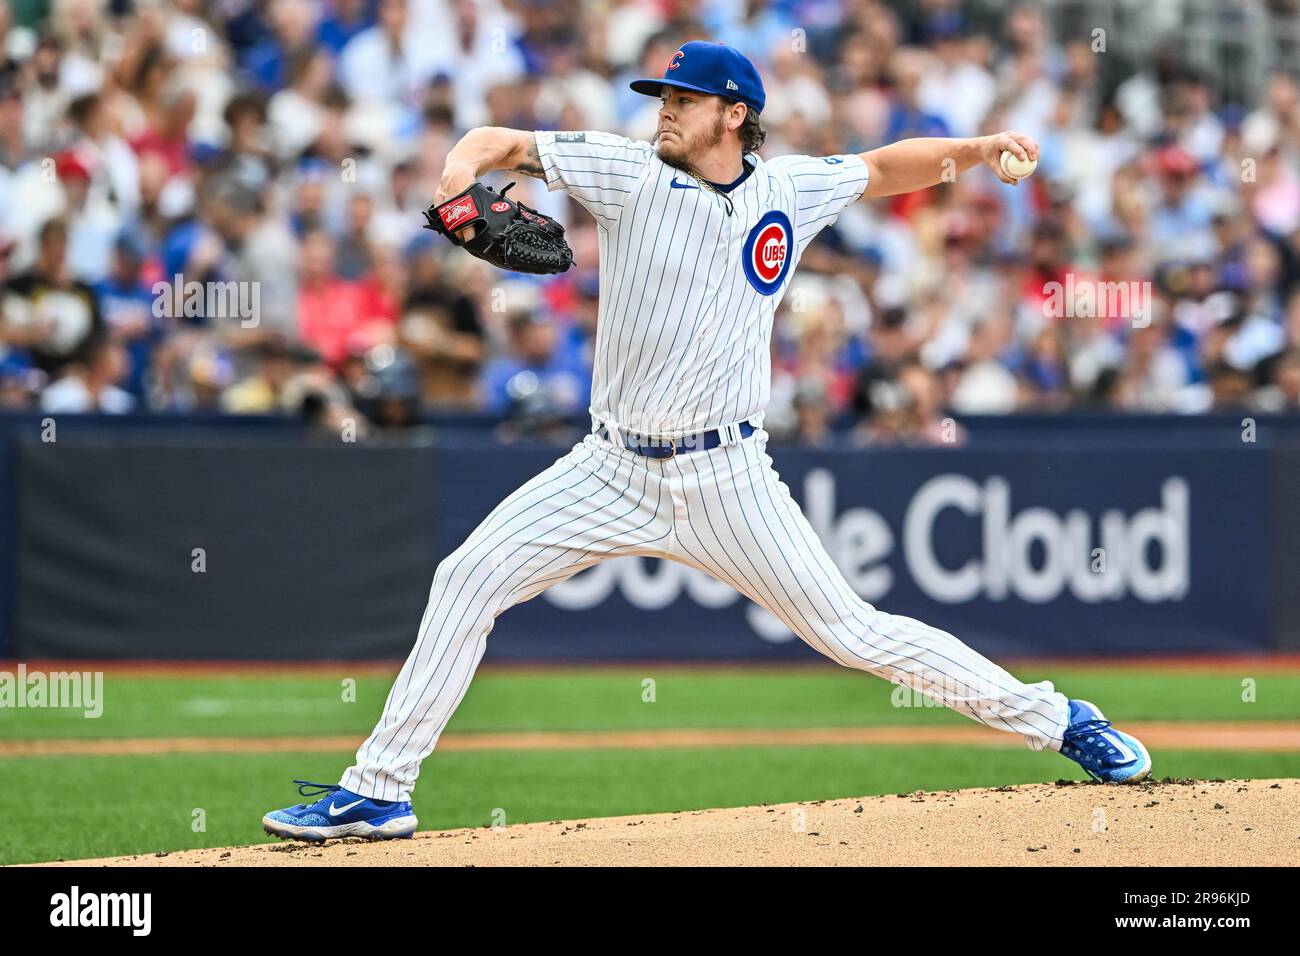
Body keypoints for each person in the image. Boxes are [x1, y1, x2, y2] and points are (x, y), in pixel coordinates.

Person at [263, 41, 1152, 842]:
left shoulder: (786, 190)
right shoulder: (627, 172)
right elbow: (500, 143)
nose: (665, 110)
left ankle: (1062, 719)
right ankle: (380, 791)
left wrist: (973, 149)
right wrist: (454, 182)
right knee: (466, 579)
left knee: (854, 632)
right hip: (608, 467)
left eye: (683, 100)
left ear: (734, 114)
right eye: (662, 97)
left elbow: (883, 167)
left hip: (730, 476)